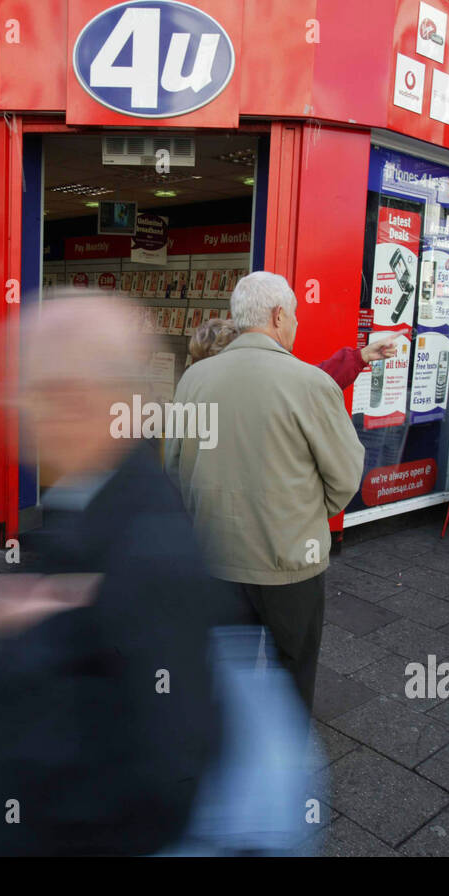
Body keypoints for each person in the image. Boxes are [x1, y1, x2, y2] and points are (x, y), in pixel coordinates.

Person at [0, 291, 226, 856]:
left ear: (73, 400)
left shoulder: (148, 548)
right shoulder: (90, 496)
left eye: (19, 386)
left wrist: (29, 646)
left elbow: (165, 774)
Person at [166, 271, 364, 709]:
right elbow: (346, 476)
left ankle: (220, 750)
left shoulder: (193, 381)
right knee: (291, 672)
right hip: (290, 562)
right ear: (278, 316)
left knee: (220, 672)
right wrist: (306, 513)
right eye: (293, 316)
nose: (294, 325)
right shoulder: (310, 384)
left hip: (214, 557)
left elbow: (175, 466)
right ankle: (283, 757)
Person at [188, 316, 399, 390]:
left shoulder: (191, 388)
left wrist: (360, 356)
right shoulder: (260, 385)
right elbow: (312, 384)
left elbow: (174, 460)